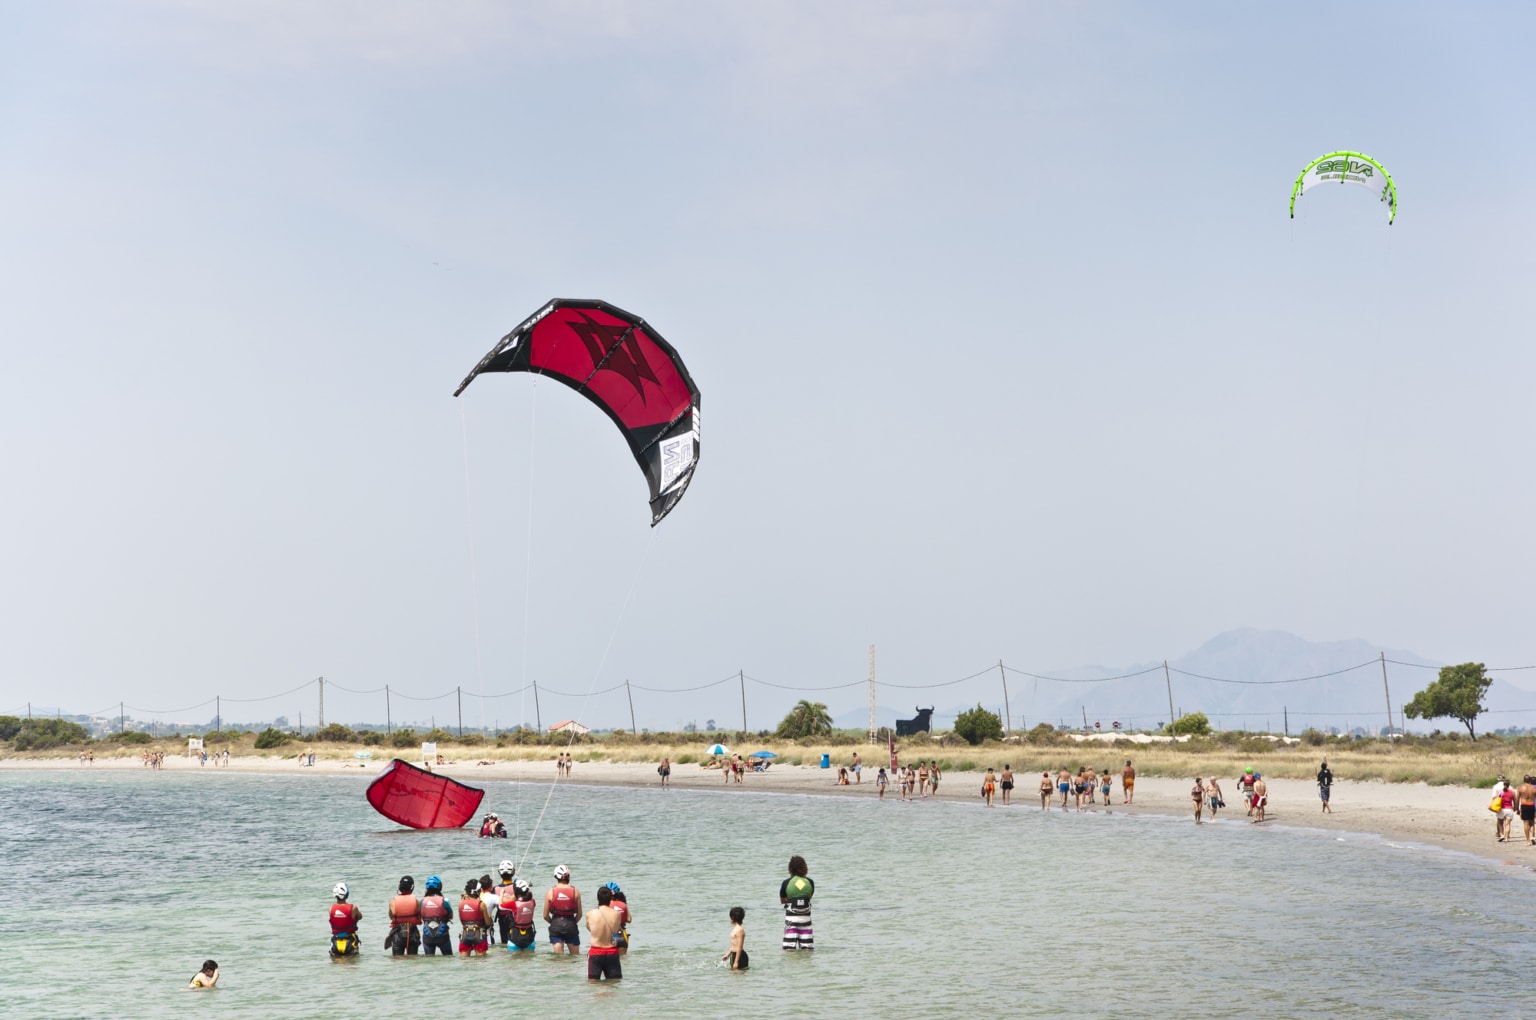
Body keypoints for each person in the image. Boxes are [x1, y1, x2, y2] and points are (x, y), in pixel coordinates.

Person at [584, 886, 623, 981]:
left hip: (596, 952)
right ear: (610, 898)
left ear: (597, 898)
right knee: (614, 983)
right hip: (612, 952)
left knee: (594, 984)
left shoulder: (590, 914)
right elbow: (618, 930)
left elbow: (590, 928)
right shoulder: (617, 914)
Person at [544, 865, 582, 954]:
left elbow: (545, 916)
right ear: (568, 876)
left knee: (559, 958)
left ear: (556, 877)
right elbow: (579, 914)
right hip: (571, 924)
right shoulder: (575, 891)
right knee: (575, 957)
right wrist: (572, 923)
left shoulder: (550, 892)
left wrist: (553, 923)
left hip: (555, 924)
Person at [780, 855, 814, 951]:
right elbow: (809, 898)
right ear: (804, 867)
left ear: (790, 868)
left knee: (789, 949)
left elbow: (782, 900)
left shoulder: (786, 882)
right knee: (807, 950)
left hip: (791, 919)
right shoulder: (810, 882)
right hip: (806, 919)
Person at [387, 875, 421, 956]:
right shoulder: (416, 902)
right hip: (412, 934)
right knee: (413, 960)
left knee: (398, 961)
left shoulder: (393, 902)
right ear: (412, 888)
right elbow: (419, 916)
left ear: (399, 888)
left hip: (398, 934)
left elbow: (391, 917)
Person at [420, 876, 454, 956]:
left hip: (427, 934)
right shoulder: (445, 900)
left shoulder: (422, 901)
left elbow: (421, 916)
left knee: (429, 960)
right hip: (442, 935)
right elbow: (451, 916)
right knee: (448, 957)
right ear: (440, 887)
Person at [328, 882, 362, 958]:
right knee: (351, 967)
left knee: (336, 968)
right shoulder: (353, 908)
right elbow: (360, 917)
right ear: (346, 894)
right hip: (350, 941)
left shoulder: (330, 909)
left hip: (335, 942)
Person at [458, 879, 491, 955]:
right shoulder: (481, 904)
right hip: (479, 935)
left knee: (464, 961)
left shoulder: (460, 903)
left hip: (465, 934)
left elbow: (462, 921)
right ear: (478, 891)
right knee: (481, 962)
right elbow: (488, 923)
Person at [505, 878, 538, 951]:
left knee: (515, 960)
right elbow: (529, 897)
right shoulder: (533, 902)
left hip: (515, 936)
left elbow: (501, 905)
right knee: (529, 960)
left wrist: (502, 894)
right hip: (529, 936)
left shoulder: (514, 904)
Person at [493, 862, 519, 944]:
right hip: (515, 919)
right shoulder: (517, 887)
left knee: (505, 943)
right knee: (515, 941)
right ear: (513, 872)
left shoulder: (495, 889)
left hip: (502, 919)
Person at [722, 906, 748, 970]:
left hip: (739, 956)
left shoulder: (739, 930)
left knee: (738, 977)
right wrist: (727, 954)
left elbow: (739, 947)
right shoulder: (735, 929)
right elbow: (733, 945)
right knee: (733, 976)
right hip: (733, 954)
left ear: (732, 917)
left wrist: (736, 962)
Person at [608, 884, 631, 954]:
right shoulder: (623, 904)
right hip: (622, 935)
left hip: (611, 935)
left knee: (611, 962)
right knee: (623, 962)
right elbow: (629, 919)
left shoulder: (607, 905)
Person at [478, 875, 499, 944]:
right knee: (488, 947)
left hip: (477, 927)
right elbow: (503, 903)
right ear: (490, 887)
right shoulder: (492, 897)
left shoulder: (478, 895)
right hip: (486, 928)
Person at [1520, 777, 1536, 846]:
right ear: (1529, 780)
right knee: (1532, 822)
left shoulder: (1521, 788)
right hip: (1532, 805)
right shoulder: (1533, 789)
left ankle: (1528, 841)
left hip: (1524, 805)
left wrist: (1517, 809)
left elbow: (1517, 799)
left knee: (1526, 823)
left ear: (1523, 780)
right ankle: (1533, 836)